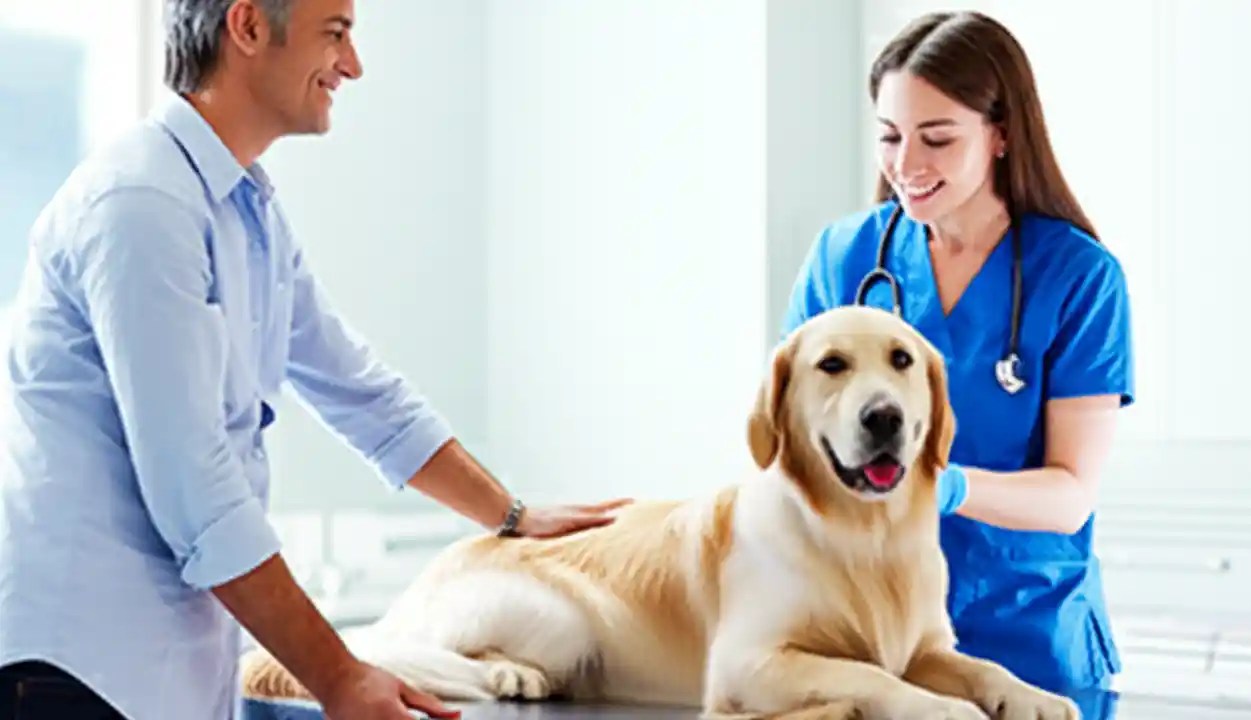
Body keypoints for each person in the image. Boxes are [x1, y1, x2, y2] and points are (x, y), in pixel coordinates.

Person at [0, 1, 630, 719]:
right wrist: (339, 677)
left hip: (162, 677)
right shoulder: (140, 204)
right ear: (246, 26)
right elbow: (195, 489)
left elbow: (362, 394)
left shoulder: (246, 211)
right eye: (335, 33)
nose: (353, 66)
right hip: (76, 672)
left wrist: (512, 515)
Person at [781, 10, 1134, 700]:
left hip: (1026, 640)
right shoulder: (844, 258)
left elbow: (1070, 493)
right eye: (890, 136)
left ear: (1002, 134)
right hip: (870, 643)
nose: (906, 165)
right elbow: (793, 444)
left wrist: (947, 486)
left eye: (937, 138)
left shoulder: (1079, 277)